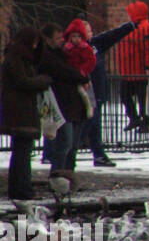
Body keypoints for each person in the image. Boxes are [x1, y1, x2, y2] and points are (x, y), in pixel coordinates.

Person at [80, 15, 140, 166]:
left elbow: (111, 36)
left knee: (93, 127)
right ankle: (62, 152)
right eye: (87, 30)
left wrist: (129, 27)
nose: (90, 33)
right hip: (85, 94)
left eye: (90, 30)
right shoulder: (76, 50)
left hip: (98, 93)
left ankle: (98, 155)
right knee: (86, 126)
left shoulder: (95, 45)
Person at [1, 27, 52, 201]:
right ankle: (22, 190)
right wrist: (42, 81)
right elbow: (22, 81)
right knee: (22, 153)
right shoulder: (16, 58)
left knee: (21, 152)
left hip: (21, 110)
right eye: (35, 42)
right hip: (20, 111)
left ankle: (20, 189)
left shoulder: (20, 58)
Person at [38, 22, 91, 183]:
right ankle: (58, 178)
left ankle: (68, 178)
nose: (61, 40)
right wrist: (81, 76)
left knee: (73, 145)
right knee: (65, 143)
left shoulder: (63, 53)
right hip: (61, 104)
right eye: (58, 38)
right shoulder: (47, 56)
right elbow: (63, 71)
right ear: (48, 39)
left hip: (72, 103)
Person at [119, 1, 149, 132]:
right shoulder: (133, 26)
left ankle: (143, 121)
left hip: (139, 70)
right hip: (129, 70)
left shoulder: (145, 27)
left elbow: (148, 48)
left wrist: (148, 65)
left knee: (142, 98)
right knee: (126, 95)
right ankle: (135, 119)